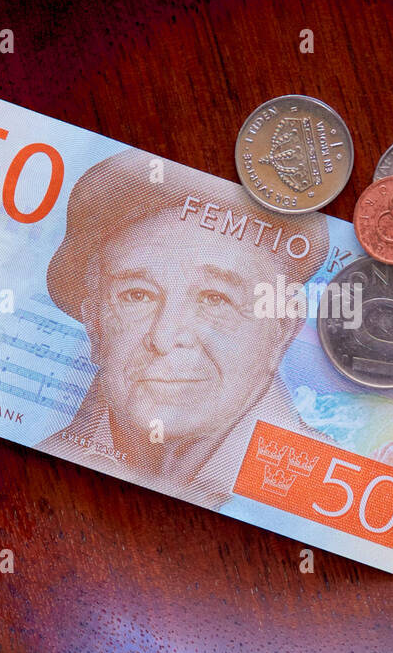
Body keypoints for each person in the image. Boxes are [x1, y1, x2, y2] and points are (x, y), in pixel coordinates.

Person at [41, 148, 330, 509]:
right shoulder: (46, 466)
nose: (164, 337)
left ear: (282, 331)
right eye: (137, 295)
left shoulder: (318, 496)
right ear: (95, 326)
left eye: (215, 299)